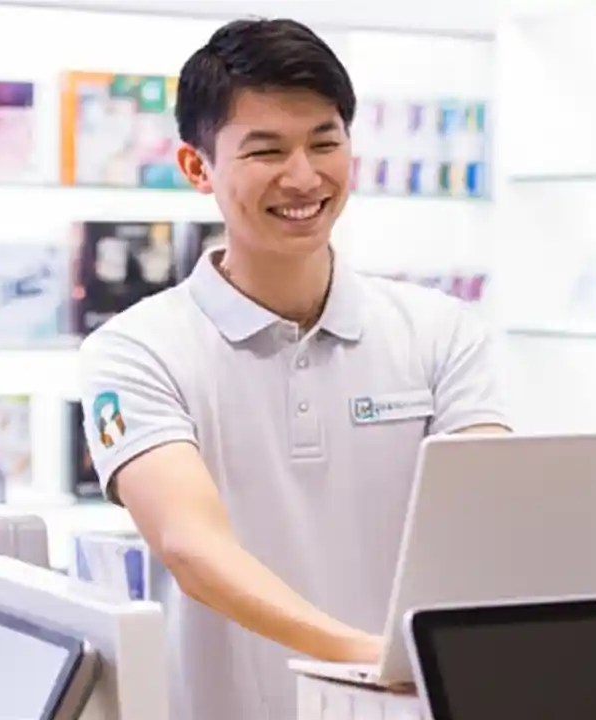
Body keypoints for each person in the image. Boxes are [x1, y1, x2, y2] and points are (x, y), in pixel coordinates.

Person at [77, 18, 511, 720]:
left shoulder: (441, 331)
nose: (304, 177)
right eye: (266, 150)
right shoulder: (134, 351)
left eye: (324, 142)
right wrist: (368, 656)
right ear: (197, 168)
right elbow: (191, 546)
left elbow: (488, 509)